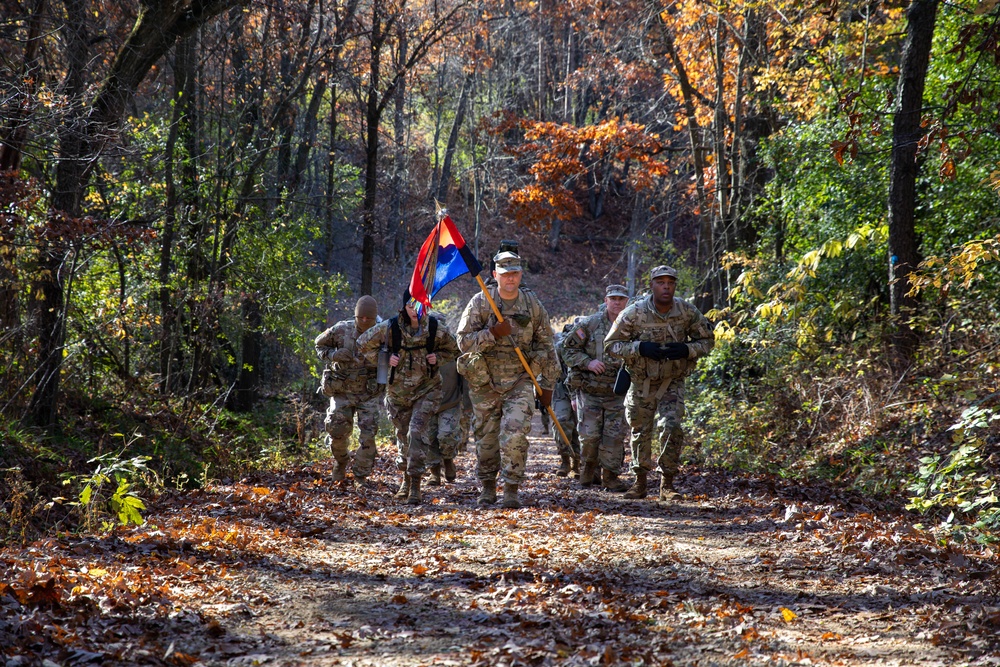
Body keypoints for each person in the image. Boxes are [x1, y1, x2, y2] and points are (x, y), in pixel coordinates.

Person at [456, 250, 559, 509]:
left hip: (520, 381)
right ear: (495, 275)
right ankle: (488, 487)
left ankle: (511, 488)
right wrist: (491, 333)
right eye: (505, 274)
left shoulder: (532, 305)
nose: (510, 279)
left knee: (514, 434)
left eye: (514, 273)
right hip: (485, 382)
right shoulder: (481, 302)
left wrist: (547, 386)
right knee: (486, 439)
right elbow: (462, 342)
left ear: (520, 274)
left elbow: (547, 345)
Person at [604, 266, 715, 502]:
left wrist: (687, 349)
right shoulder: (634, 313)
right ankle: (640, 482)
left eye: (670, 282)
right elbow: (611, 345)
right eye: (661, 282)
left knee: (672, 427)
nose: (666, 287)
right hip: (641, 382)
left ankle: (667, 484)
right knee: (640, 431)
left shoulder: (686, 312)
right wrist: (639, 348)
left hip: (672, 381)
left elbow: (707, 341)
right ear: (651, 285)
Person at [357, 294, 460, 505]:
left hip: (427, 390)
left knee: (416, 433)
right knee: (403, 438)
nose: (415, 309)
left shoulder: (433, 327)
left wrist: (438, 358)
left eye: (420, 304)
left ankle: (415, 484)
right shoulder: (390, 327)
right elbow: (363, 344)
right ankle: (405, 479)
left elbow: (455, 348)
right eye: (411, 304)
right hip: (398, 394)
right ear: (404, 306)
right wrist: (384, 359)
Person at [561, 284, 631, 491]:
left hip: (618, 393)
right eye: (613, 299)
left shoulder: (633, 325)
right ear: (606, 300)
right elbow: (568, 349)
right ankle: (588, 472)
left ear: (626, 301)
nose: (617, 302)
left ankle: (610, 477)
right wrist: (587, 362)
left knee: (614, 437)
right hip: (590, 391)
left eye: (621, 299)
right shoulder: (590, 324)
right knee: (589, 437)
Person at [314, 295, 384, 484]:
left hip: (368, 393)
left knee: (368, 435)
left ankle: (361, 475)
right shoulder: (341, 329)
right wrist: (334, 354)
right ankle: (340, 462)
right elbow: (319, 345)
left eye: (368, 318)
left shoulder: (382, 333)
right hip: (342, 390)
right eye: (360, 317)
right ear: (355, 316)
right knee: (336, 430)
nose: (363, 321)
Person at [426, 359, 471, 486]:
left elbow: (464, 375)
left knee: (447, 434)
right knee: (429, 438)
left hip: (451, 402)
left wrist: (467, 401)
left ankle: (448, 459)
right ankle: (434, 473)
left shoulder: (452, 346)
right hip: (426, 403)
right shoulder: (421, 346)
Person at [551, 322, 582, 477]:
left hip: (582, 389)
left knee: (579, 426)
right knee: (561, 422)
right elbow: (548, 367)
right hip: (561, 390)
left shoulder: (586, 347)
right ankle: (565, 460)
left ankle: (577, 463)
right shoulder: (558, 348)